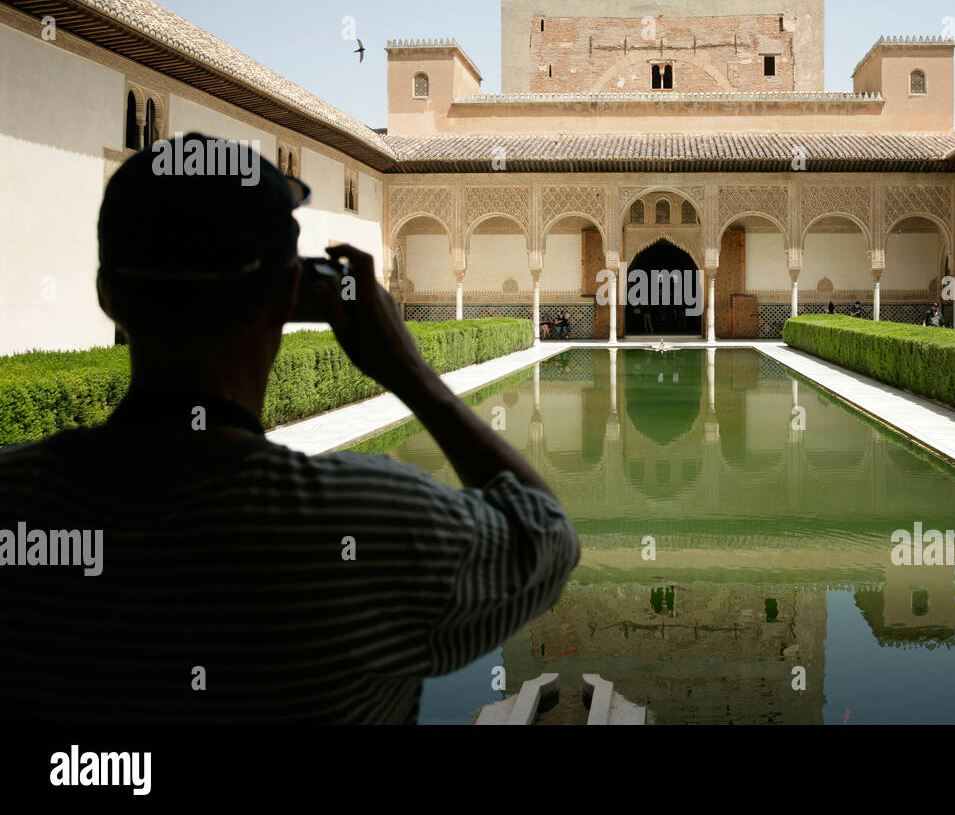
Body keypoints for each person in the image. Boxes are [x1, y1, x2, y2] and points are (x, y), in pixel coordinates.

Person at [0, 136, 580, 724]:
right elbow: (546, 539)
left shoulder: (15, 499)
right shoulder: (365, 521)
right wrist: (408, 371)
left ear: (107, 295)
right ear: (290, 296)